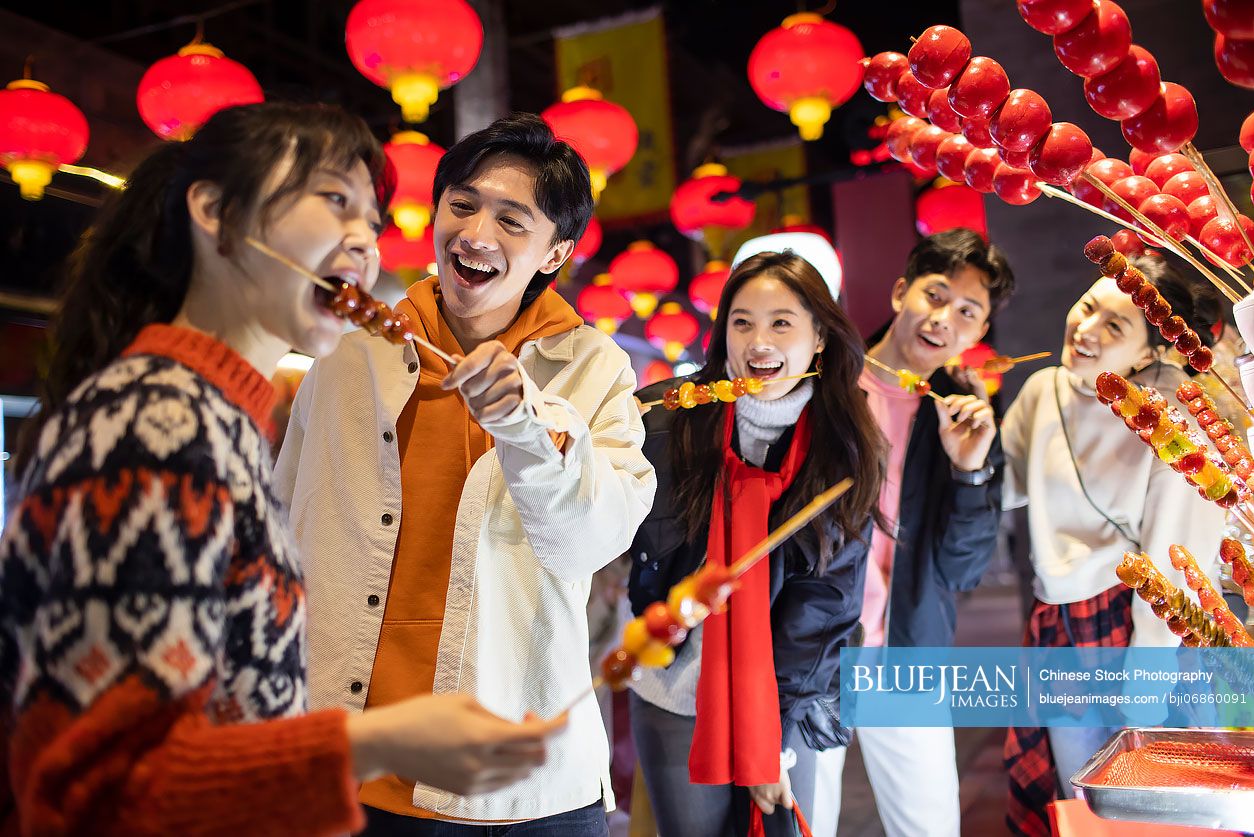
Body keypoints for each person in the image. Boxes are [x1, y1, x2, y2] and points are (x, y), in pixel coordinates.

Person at [0, 102, 566, 836]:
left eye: (373, 217)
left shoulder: (219, 418)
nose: (365, 242)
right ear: (217, 211)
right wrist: (377, 741)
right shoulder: (157, 422)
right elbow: (99, 794)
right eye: (335, 201)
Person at [273, 113, 656, 835]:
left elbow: (589, 541)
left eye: (513, 220)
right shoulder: (350, 351)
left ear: (556, 251)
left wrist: (526, 421)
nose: (476, 234)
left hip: (518, 771)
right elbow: (286, 517)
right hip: (347, 758)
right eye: (463, 205)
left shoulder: (593, 368)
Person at [627, 251, 884, 837]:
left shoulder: (844, 447)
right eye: (741, 322)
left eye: (781, 322)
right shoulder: (667, 421)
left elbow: (824, 609)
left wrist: (775, 740)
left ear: (820, 338)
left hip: (788, 697)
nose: (758, 341)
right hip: (673, 690)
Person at [1001, 255, 1225, 835]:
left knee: (1155, 804)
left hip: (1138, 623)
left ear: (1149, 352)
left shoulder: (1173, 415)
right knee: (1086, 800)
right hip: (1058, 621)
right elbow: (1002, 488)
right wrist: (967, 448)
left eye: (1115, 326)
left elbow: (1178, 562)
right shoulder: (1042, 390)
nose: (1087, 328)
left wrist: (1146, 684)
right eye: (1089, 306)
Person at [814, 228, 1015, 837]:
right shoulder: (826, 383)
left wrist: (970, 469)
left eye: (967, 312)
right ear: (902, 291)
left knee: (928, 826)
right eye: (934, 295)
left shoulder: (964, 413)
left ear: (978, 335)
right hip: (813, 645)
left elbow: (964, 569)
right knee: (801, 821)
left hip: (905, 650)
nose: (943, 319)